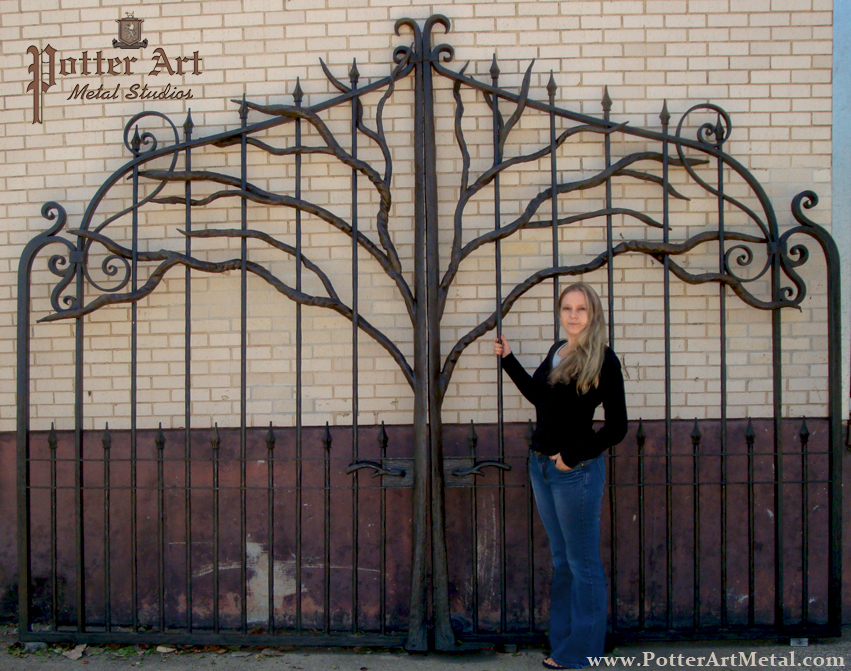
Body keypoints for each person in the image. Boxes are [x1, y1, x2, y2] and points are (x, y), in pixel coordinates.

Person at [494, 282, 627, 669]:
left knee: (582, 563)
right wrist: (509, 359)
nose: (572, 315)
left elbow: (617, 427)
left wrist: (571, 456)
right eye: (567, 308)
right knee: (563, 560)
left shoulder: (603, 359)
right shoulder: (558, 351)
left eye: (581, 309)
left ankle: (582, 654)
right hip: (542, 467)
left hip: (576, 472)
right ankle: (565, 645)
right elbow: (540, 396)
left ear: (593, 315)